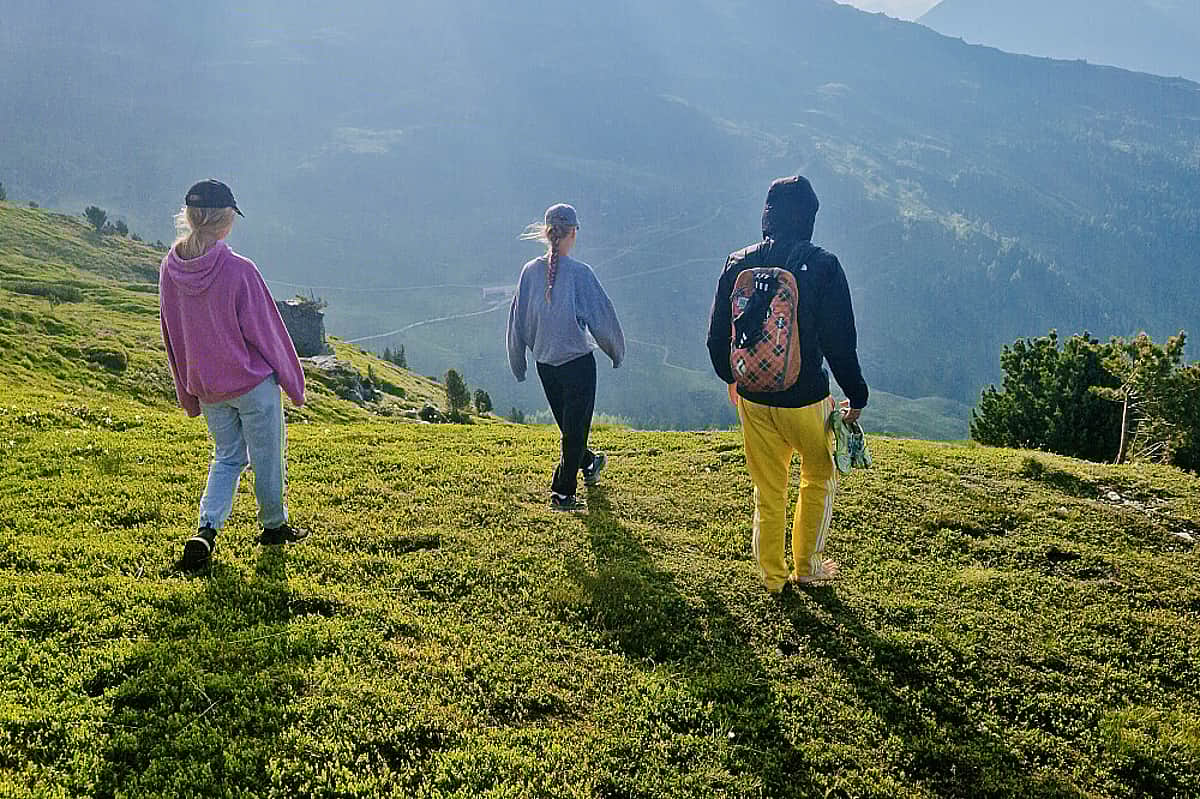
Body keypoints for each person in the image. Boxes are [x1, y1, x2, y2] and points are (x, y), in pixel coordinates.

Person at [706, 176, 869, 593]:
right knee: (819, 474)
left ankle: (772, 577)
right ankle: (807, 566)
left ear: (767, 215)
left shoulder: (737, 263)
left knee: (768, 488)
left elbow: (716, 336)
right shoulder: (823, 266)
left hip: (753, 397)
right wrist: (857, 394)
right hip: (806, 399)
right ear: (809, 217)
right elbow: (839, 342)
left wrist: (733, 377)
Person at [159, 179, 309, 571]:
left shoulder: (170, 270)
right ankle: (274, 527)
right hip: (252, 385)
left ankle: (206, 530)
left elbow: (172, 333)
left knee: (226, 457)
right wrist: (293, 382)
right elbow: (267, 332)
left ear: (190, 217)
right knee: (266, 456)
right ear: (225, 220)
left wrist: (188, 391)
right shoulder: (240, 270)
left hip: (209, 389)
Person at [507, 203, 625, 511]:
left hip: (545, 366)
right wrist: (616, 351)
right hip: (578, 366)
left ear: (546, 233)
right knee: (573, 431)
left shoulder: (529, 272)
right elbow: (602, 316)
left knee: (571, 430)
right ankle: (562, 493)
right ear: (573, 233)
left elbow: (517, 321)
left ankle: (589, 462)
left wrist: (518, 362)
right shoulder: (580, 274)